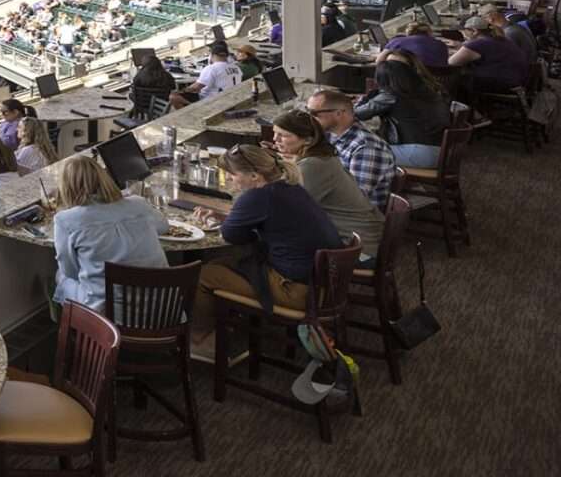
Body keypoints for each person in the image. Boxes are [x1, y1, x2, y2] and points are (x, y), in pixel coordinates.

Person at [188, 144, 342, 358]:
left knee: (202, 275)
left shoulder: (257, 197)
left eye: (233, 175)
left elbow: (233, 236)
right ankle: (227, 322)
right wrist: (232, 218)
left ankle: (200, 341)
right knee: (223, 263)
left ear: (253, 175)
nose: (231, 180)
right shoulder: (291, 186)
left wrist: (235, 220)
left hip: (297, 291)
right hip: (324, 282)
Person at [49, 154, 169, 312]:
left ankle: (77, 333)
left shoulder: (65, 220)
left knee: (61, 277)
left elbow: (70, 271)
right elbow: (164, 226)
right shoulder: (138, 203)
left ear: (66, 188)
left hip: (111, 317)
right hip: (163, 313)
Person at [269, 109, 383, 253]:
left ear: (308, 140)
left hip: (357, 250)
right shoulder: (323, 157)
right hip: (365, 236)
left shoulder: (312, 166)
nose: (275, 140)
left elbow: (288, 210)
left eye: (283, 135)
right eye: (275, 133)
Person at [355, 56, 451, 167]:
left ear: (382, 79)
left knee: (358, 152)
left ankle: (388, 183)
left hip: (420, 153)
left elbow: (356, 114)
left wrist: (366, 97)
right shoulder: (428, 89)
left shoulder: (390, 96)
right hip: (442, 150)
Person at [450, 16, 528, 94]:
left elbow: (451, 62)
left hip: (503, 87)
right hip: (516, 83)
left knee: (455, 79)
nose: (462, 34)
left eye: (463, 31)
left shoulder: (477, 44)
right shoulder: (501, 39)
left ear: (474, 31)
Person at [174, 41, 239, 108]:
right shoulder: (236, 67)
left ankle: (194, 110)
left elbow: (196, 87)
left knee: (174, 97)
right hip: (230, 96)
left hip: (212, 99)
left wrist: (183, 90)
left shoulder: (211, 68)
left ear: (213, 55)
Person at [127, 52, 177, 120]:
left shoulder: (139, 76)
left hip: (142, 104)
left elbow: (134, 87)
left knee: (130, 94)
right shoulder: (166, 76)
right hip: (160, 105)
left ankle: (133, 116)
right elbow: (173, 87)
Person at [485, 4, 536, 69]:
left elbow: (507, 57)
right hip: (527, 62)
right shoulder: (512, 25)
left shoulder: (509, 32)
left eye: (484, 17)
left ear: (491, 19)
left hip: (524, 69)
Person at [384, 21, 449, 69]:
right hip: (436, 81)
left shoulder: (396, 41)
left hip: (410, 80)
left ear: (407, 32)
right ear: (429, 32)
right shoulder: (441, 44)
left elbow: (379, 61)